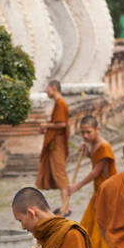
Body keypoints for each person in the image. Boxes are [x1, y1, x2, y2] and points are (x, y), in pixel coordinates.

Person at [71, 115, 116, 248]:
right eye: (82, 133)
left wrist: (77, 185)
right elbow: (96, 161)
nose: (85, 136)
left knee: (103, 227)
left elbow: (96, 171)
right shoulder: (96, 145)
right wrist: (88, 152)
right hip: (99, 192)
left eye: (88, 132)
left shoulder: (104, 146)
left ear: (97, 129)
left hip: (108, 193)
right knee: (91, 225)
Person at [36, 80, 70, 216]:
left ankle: (65, 207)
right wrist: (48, 128)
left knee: (60, 174)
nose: (46, 91)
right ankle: (66, 205)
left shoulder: (61, 103)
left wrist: (46, 126)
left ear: (54, 88)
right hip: (55, 141)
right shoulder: (58, 103)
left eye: (48, 88)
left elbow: (62, 124)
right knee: (59, 173)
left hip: (58, 144)